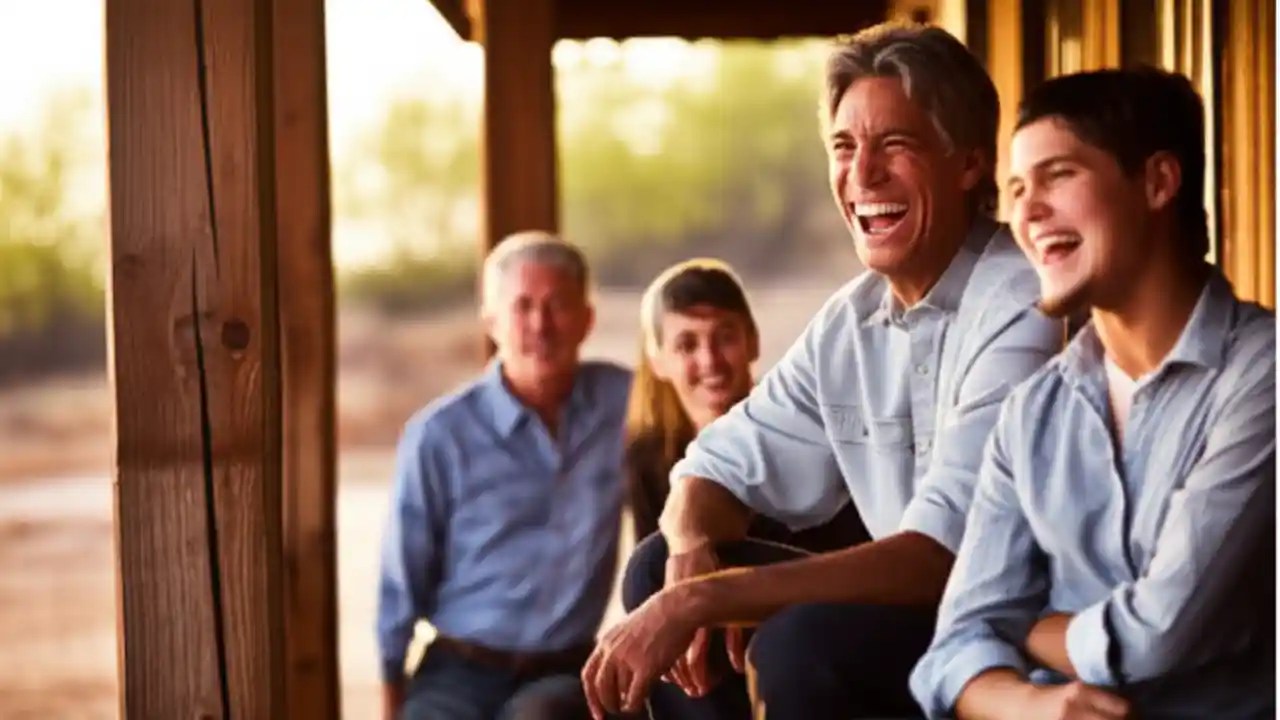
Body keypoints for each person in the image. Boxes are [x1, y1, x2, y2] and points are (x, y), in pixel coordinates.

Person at [583, 22, 1065, 720]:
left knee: (800, 642)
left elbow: (942, 555)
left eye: (894, 144)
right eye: (844, 147)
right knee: (658, 565)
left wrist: (703, 596)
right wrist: (690, 553)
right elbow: (716, 462)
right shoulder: (852, 318)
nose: (862, 175)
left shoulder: (1021, 300)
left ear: (966, 164)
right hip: (915, 618)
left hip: (1012, 631)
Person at [910, 67, 1275, 720]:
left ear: (1159, 182)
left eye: (1058, 176)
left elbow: (1159, 636)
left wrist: (1025, 627)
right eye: (1015, 189)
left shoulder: (1263, 374)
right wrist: (1033, 706)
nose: (1025, 212)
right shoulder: (1032, 411)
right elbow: (952, 651)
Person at [376, 231, 633, 720]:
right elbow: (401, 578)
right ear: (491, 322)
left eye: (558, 305)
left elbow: (694, 403)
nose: (541, 325)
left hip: (566, 672)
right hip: (457, 669)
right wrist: (391, 692)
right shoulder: (439, 434)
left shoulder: (625, 405)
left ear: (587, 320)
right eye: (522, 307)